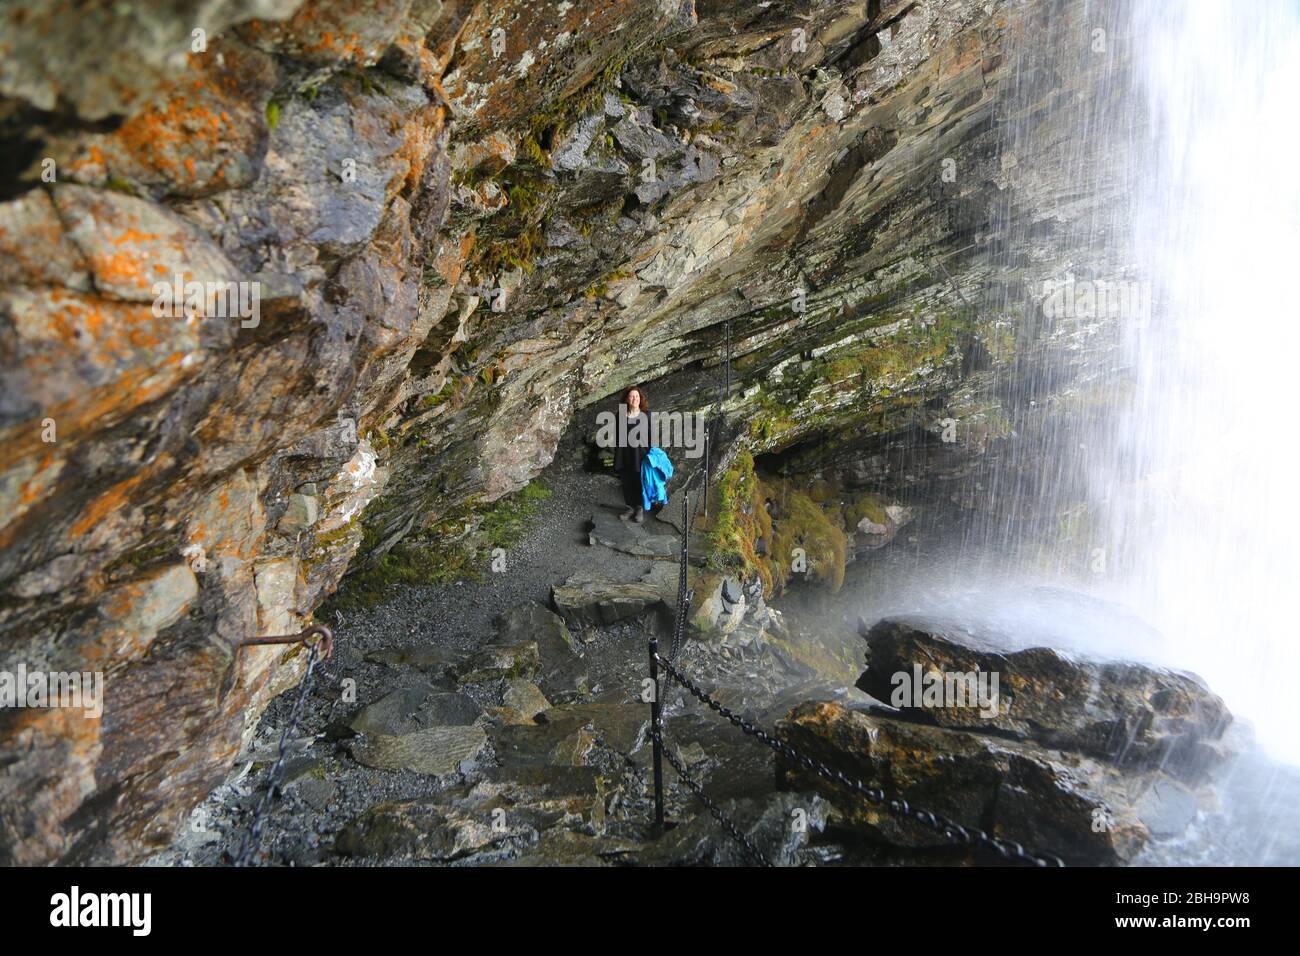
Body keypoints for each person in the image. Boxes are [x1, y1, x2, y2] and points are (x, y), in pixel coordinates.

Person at [613, 385, 654, 523]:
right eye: (631, 396)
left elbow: (651, 436)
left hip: (641, 453)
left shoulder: (647, 414)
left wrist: (650, 454)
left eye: (636, 396)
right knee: (626, 480)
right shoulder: (620, 414)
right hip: (625, 452)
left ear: (640, 398)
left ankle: (639, 509)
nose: (634, 399)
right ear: (626, 399)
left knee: (639, 480)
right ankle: (629, 508)